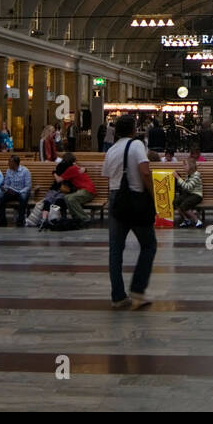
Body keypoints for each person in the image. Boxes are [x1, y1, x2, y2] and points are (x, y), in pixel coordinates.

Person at [104, 115, 157, 310]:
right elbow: (144, 172)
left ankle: (118, 296)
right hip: (135, 200)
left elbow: (108, 177)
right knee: (149, 245)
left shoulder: (111, 150)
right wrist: (154, 197)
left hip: (116, 199)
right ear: (134, 129)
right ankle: (137, 289)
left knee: (115, 250)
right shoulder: (136, 145)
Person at [58, 154, 98, 225]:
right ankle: (76, 217)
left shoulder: (71, 169)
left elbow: (59, 180)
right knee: (66, 197)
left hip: (88, 191)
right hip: (85, 191)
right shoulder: (75, 167)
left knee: (71, 199)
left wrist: (54, 172)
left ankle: (85, 218)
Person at [0, 154, 32, 225]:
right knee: (0, 196)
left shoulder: (25, 171)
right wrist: (5, 188)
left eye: (10, 161)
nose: (8, 163)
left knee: (23, 197)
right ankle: (3, 221)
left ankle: (20, 220)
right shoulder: (9, 171)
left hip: (22, 191)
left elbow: (28, 186)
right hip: (11, 192)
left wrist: (19, 192)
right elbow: (6, 184)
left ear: (15, 163)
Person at [175, 154, 203, 227]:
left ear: (191, 166)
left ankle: (197, 221)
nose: (183, 167)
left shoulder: (196, 175)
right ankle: (186, 220)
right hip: (189, 194)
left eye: (185, 165)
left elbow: (188, 187)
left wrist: (178, 178)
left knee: (184, 206)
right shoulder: (188, 174)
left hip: (196, 195)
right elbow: (185, 187)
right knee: (175, 202)